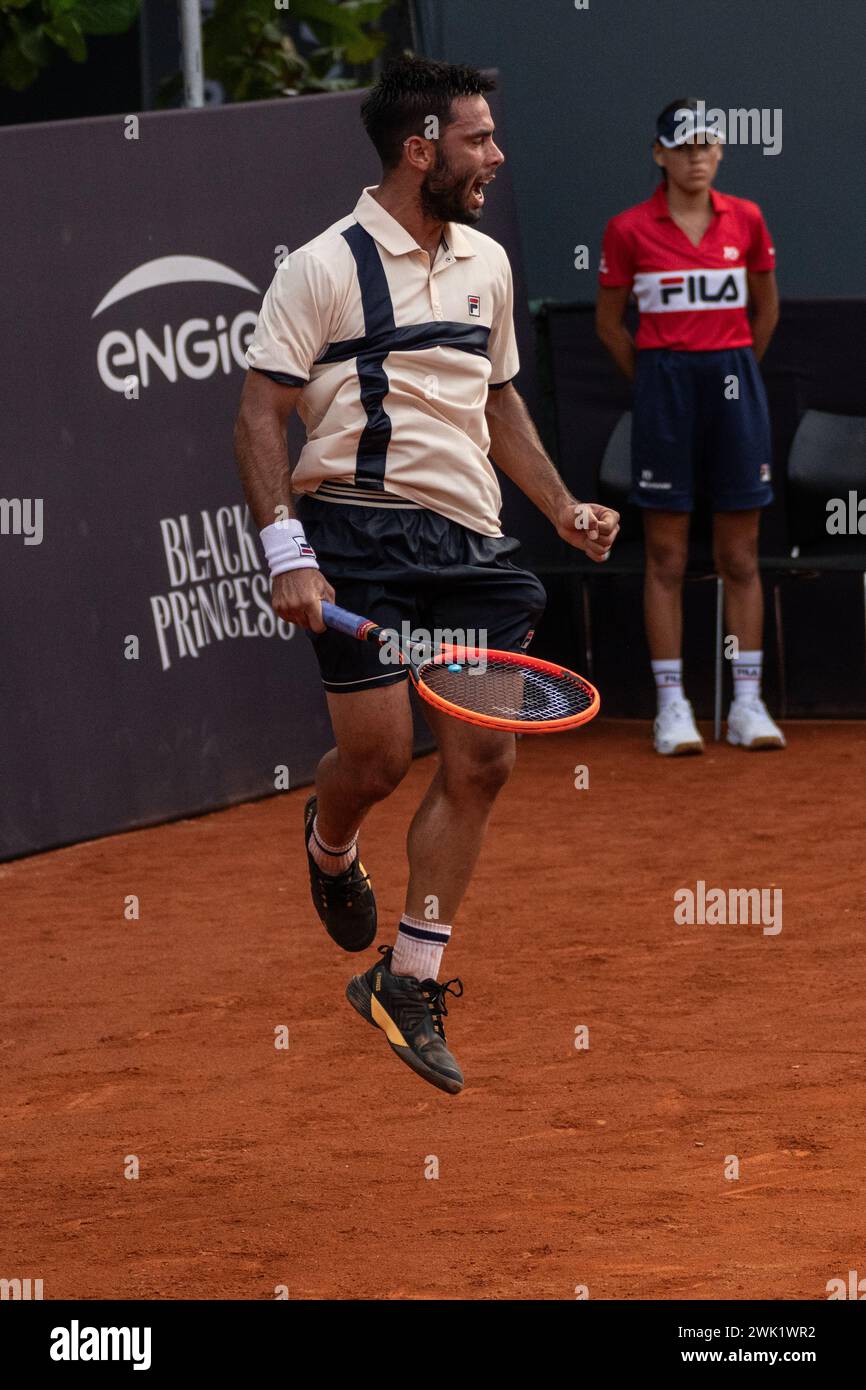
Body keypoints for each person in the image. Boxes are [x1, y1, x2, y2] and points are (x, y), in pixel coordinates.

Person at [234, 55, 619, 1096]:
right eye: (477, 139)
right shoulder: (320, 267)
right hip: (357, 539)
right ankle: (327, 845)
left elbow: (496, 405)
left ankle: (408, 978)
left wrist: (561, 507)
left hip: (472, 554)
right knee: (375, 758)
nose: (494, 156)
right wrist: (287, 552)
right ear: (421, 150)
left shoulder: (487, 264)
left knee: (483, 760)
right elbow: (259, 415)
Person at [596, 96, 784, 755]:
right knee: (668, 556)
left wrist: (731, 372)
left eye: (707, 144)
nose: (696, 156)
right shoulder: (627, 229)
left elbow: (765, 312)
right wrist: (656, 379)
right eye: (683, 146)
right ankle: (672, 708)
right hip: (663, 390)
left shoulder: (749, 220)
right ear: (660, 154)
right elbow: (608, 325)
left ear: (721, 150)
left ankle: (747, 705)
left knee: (739, 554)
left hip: (735, 388)